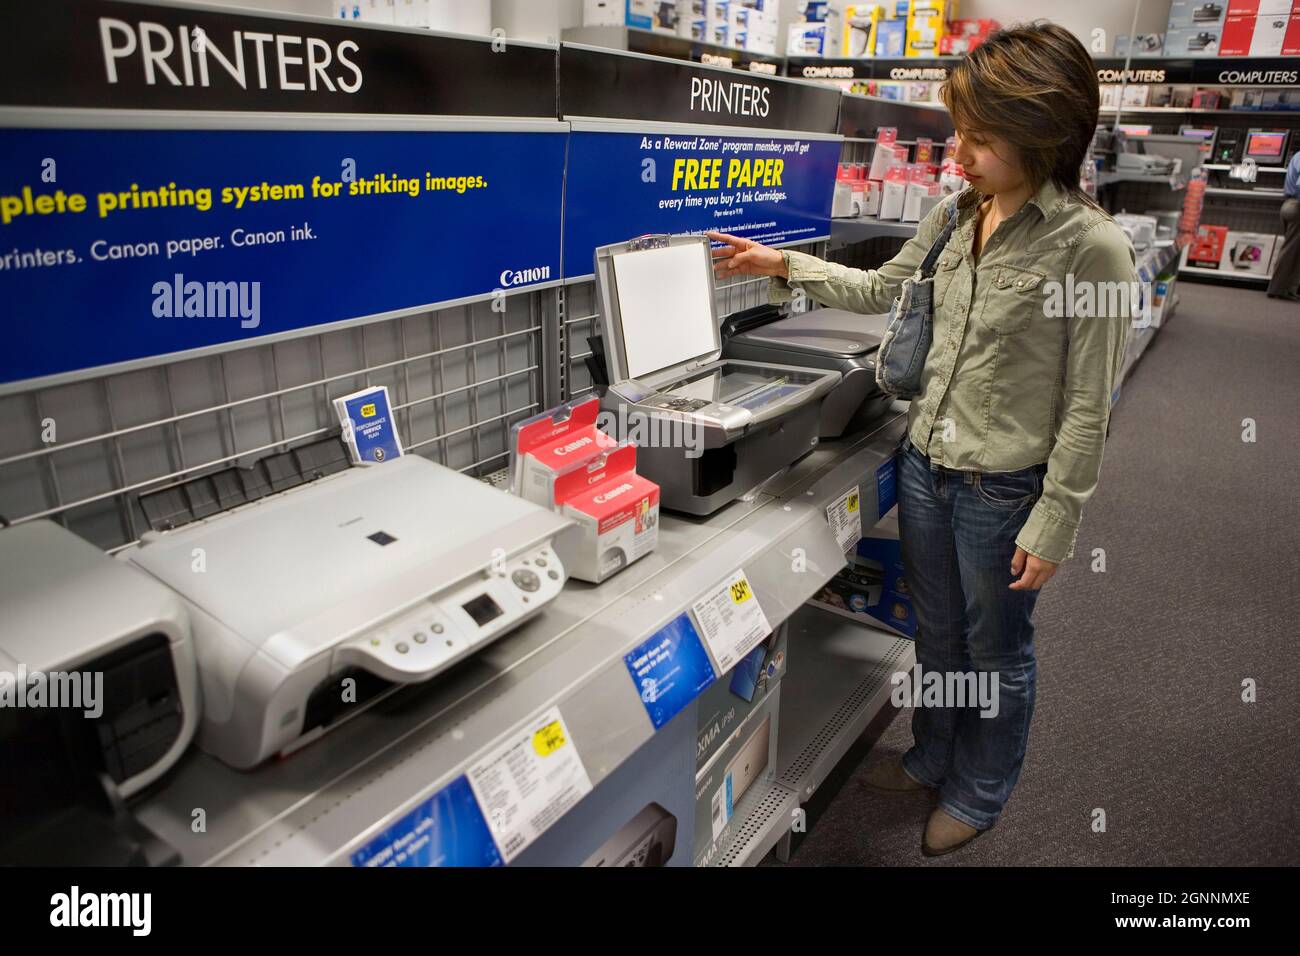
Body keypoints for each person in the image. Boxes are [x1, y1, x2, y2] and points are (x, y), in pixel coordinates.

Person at [709, 22, 1135, 857]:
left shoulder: (1093, 250)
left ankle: (980, 788)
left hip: (1005, 490)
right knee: (937, 634)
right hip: (928, 467)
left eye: (982, 137)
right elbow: (882, 291)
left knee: (998, 647)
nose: (960, 153)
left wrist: (1059, 521)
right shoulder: (952, 215)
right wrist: (780, 265)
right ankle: (935, 751)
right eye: (959, 132)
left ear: (1044, 133)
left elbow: (1090, 406)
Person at [1266, 147, 1300, 300]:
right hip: (1297, 206)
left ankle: (1288, 289)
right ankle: (1278, 289)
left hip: (1289, 205)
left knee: (1293, 251)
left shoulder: (1297, 155)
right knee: (1291, 252)